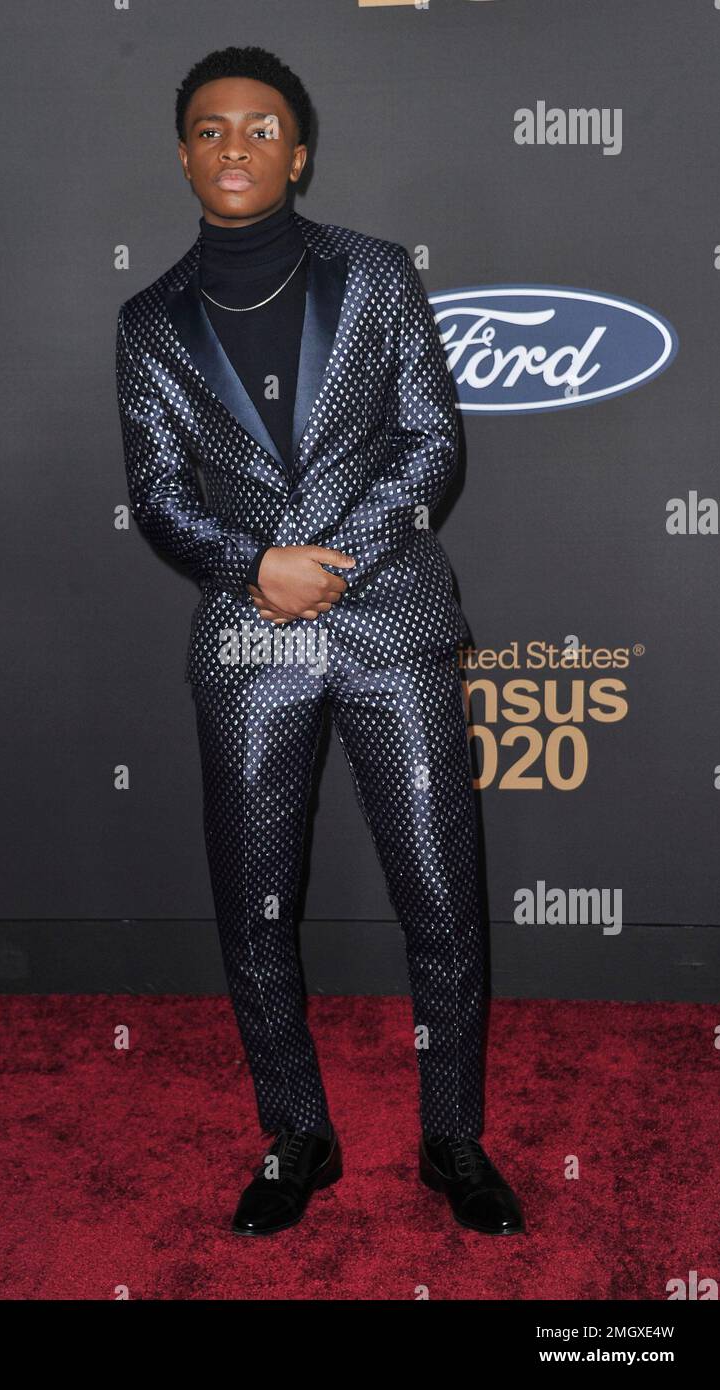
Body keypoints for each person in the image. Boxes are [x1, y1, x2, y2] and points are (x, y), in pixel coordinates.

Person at [115, 45, 524, 1238]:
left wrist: (322, 560)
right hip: (249, 645)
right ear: (183, 152)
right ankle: (297, 1133)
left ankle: (451, 1137)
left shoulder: (378, 275)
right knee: (253, 907)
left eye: (257, 127)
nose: (232, 145)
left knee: (441, 896)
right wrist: (253, 570)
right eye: (207, 128)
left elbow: (429, 442)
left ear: (296, 151)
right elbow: (158, 492)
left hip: (388, 616)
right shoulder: (148, 322)